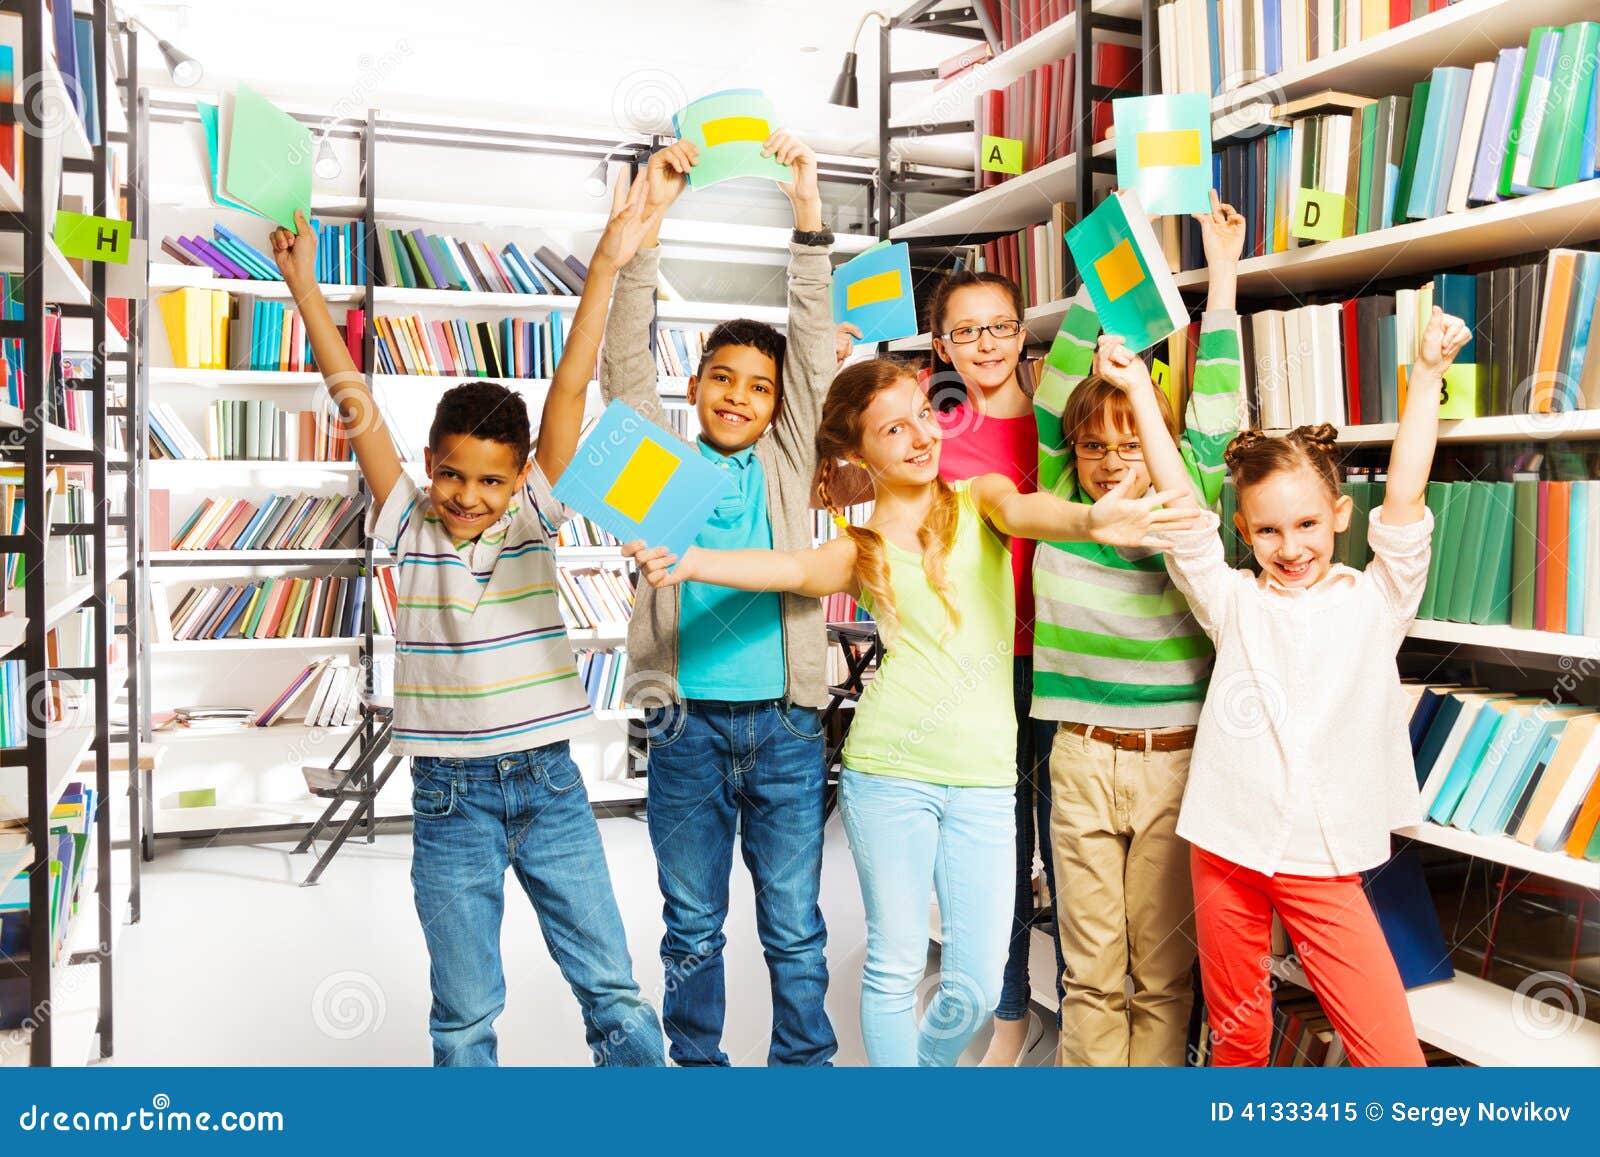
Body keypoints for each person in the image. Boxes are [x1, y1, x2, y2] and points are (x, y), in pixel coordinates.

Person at [623, 357, 1200, 1066]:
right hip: (889, 774)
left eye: (924, 414)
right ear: (857, 452)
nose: (921, 436)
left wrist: (1092, 518)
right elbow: (786, 570)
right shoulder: (858, 548)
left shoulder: (982, 497)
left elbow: (1035, 511)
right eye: (894, 428)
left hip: (986, 782)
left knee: (977, 986)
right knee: (895, 969)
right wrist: (691, 561)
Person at [269, 175, 668, 1067]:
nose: (469, 497)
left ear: (522, 475)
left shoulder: (537, 516)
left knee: (610, 985)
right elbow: (352, 394)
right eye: (452, 475)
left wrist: (608, 257)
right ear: (428, 464)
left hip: (552, 787)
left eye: (492, 480)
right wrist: (302, 285)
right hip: (450, 799)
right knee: (462, 1012)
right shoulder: (406, 523)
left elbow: (570, 385)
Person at [1104, 306, 1471, 1066]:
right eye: (1267, 531)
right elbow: (1181, 514)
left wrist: (1427, 376)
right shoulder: (1234, 600)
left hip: (1323, 857)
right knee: (1238, 1037)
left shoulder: (1376, 600)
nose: (1290, 546)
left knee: (1389, 1053)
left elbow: (1403, 502)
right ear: (1244, 528)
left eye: (1306, 524)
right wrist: (1138, 386)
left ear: (1340, 514)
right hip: (1225, 844)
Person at [600, 133, 839, 1066]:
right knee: (692, 925)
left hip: (784, 728)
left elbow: (813, 350)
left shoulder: (787, 461)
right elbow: (625, 358)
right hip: (684, 727)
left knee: (794, 928)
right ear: (694, 383)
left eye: (760, 387)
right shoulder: (662, 472)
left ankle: (802, 1076)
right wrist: (646, 228)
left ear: (782, 406)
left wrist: (808, 214)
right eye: (722, 379)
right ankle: (697, 1076)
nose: (739, 397)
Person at [1032, 191, 1246, 1066]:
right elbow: (1062, 382)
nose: (1114, 461)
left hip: (1177, 757)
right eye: (1095, 446)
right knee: (1090, 973)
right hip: (1080, 755)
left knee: (1162, 977)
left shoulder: (1183, 492)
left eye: (1131, 441)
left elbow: (1218, 409)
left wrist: (1222, 279)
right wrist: (1124, 245)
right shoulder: (1059, 495)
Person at [922, 268, 1059, 1064]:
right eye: (966, 331)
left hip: (1062, 658)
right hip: (974, 663)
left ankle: (1077, 1009)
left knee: (1059, 846)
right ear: (941, 345)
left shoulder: (1055, 421)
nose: (985, 344)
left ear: (1022, 331)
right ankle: (1011, 1012)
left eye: (1000, 326)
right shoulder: (936, 418)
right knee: (995, 854)